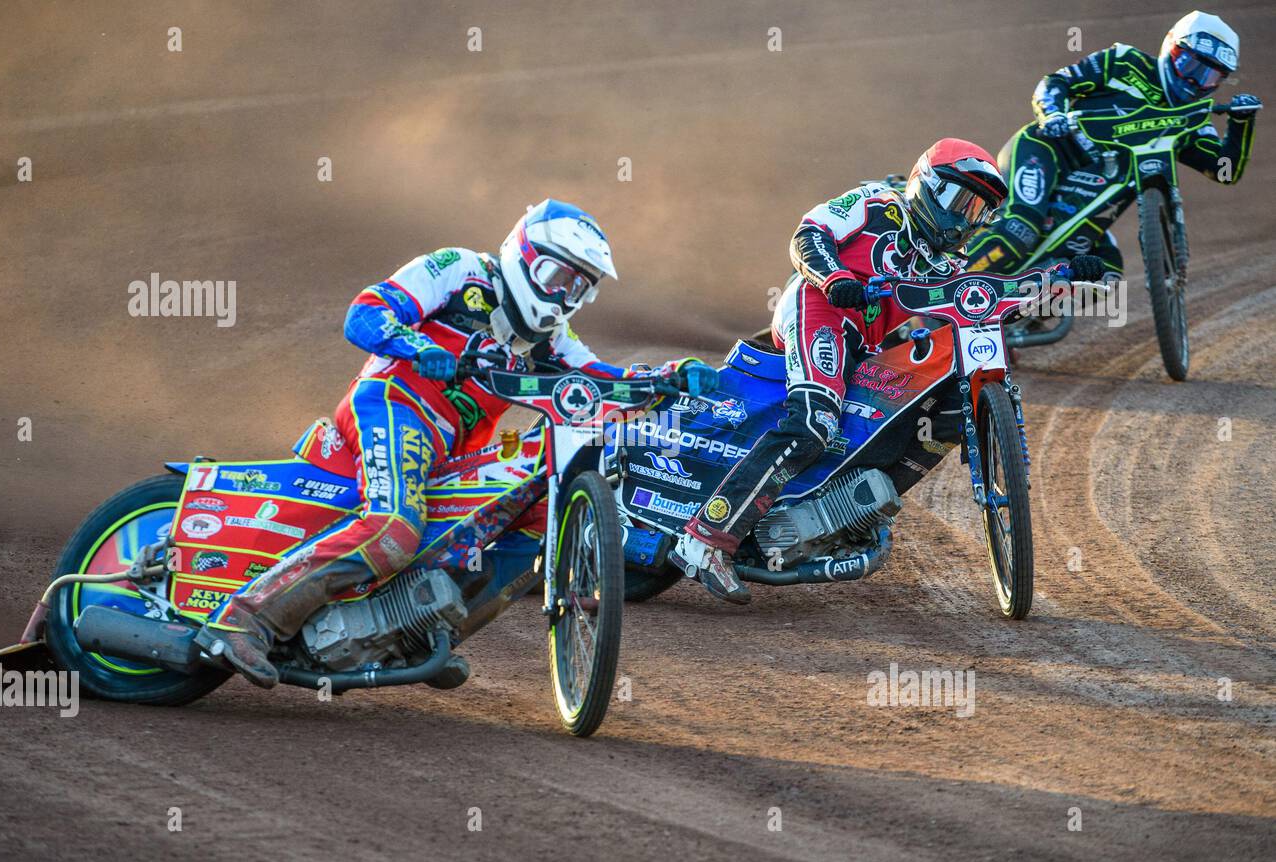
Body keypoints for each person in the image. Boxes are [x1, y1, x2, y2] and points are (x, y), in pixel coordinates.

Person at [197, 199, 718, 686]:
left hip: (453, 449)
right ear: (523, 255)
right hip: (395, 406)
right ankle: (245, 621)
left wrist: (667, 378)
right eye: (557, 277)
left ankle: (418, 634)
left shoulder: (551, 339)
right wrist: (417, 345)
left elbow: (600, 380)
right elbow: (365, 312)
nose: (563, 297)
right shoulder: (460, 269)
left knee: (535, 522)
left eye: (579, 288)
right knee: (395, 526)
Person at [669, 140, 1021, 603]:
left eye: (977, 212)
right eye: (960, 202)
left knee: (939, 411)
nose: (964, 220)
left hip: (867, 341)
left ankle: (848, 515)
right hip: (820, 309)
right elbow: (808, 235)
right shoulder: (878, 203)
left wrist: (1055, 281)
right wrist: (835, 278)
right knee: (813, 424)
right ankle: (706, 538)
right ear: (926, 185)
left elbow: (970, 306)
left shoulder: (946, 263)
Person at [964, 10, 1261, 277]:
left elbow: (1225, 171)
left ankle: (1023, 320)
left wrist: (1241, 123)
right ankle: (937, 295)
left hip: (1088, 204)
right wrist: (1052, 113)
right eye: (1190, 66)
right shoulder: (1124, 62)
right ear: (1170, 48)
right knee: (1020, 231)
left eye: (1210, 77)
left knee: (1107, 272)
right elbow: (1057, 82)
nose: (1195, 82)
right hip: (1046, 152)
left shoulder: (1193, 119)